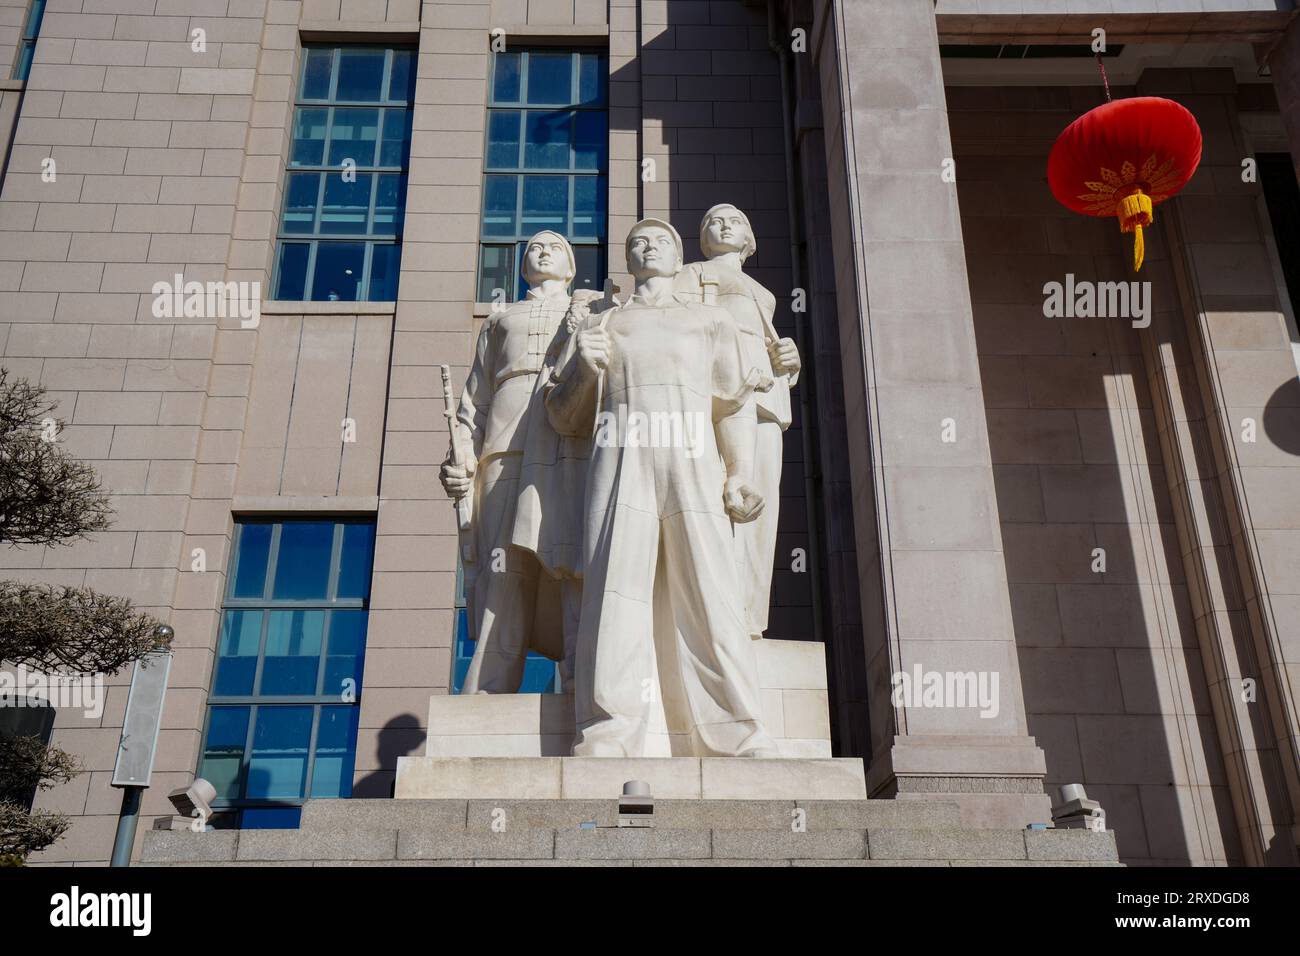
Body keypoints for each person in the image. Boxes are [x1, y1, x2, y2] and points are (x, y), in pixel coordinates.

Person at [546, 218, 780, 758]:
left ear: (679, 259)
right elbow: (563, 417)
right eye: (638, 243)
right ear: (628, 261)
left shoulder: (710, 320)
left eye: (660, 241)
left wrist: (739, 471)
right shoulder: (602, 324)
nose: (648, 247)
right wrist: (582, 369)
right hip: (619, 457)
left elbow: (732, 404)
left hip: (692, 457)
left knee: (711, 588)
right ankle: (609, 728)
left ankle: (738, 728)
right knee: (614, 592)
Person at [440, 231, 584, 693]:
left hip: (566, 440)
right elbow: (474, 402)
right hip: (504, 443)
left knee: (570, 555)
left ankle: (582, 673)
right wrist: (462, 456)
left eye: (554, 247)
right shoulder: (499, 320)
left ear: (571, 267)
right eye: (534, 248)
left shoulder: (590, 310)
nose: (543, 252)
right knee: (503, 564)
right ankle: (490, 683)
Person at [677, 203, 800, 638]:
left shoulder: (764, 293)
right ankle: (715, 613)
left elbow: (770, 350)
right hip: (718, 399)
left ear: (749, 239)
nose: (725, 225)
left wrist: (789, 361)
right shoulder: (690, 273)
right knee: (716, 499)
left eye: (735, 221)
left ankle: (749, 618)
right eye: (714, 220)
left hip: (766, 401)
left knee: (760, 510)